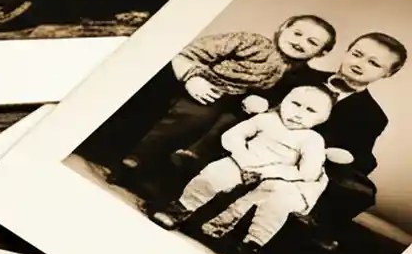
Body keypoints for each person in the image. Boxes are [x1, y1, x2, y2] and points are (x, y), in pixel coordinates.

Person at [185, 32, 408, 251]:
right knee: (232, 118)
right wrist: (256, 102)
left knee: (362, 189)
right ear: (347, 51)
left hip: (307, 158)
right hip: (265, 141)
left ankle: (315, 224)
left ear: (389, 73)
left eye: (374, 64)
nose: (360, 63)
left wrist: (345, 155)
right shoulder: (303, 77)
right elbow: (266, 97)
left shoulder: (372, 115)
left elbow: (362, 155)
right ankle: (193, 160)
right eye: (357, 54)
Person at [115, 14, 337, 187]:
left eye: (312, 42)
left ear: (321, 52)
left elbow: (288, 105)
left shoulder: (301, 78)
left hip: (237, 108)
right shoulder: (251, 42)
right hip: (204, 85)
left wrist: (265, 107)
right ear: (283, 27)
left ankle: (175, 168)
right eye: (297, 33)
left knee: (230, 126)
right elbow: (190, 52)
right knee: (197, 113)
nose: (300, 42)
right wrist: (193, 77)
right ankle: (137, 157)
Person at [150, 85, 335, 254]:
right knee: (215, 173)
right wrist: (242, 157)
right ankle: (181, 208)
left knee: (276, 204)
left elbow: (308, 171)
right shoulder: (266, 120)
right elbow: (232, 135)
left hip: (277, 177)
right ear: (284, 101)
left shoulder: (312, 139)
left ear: (322, 119)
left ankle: (251, 245)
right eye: (295, 104)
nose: (298, 113)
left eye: (310, 111)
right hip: (244, 161)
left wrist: (268, 172)